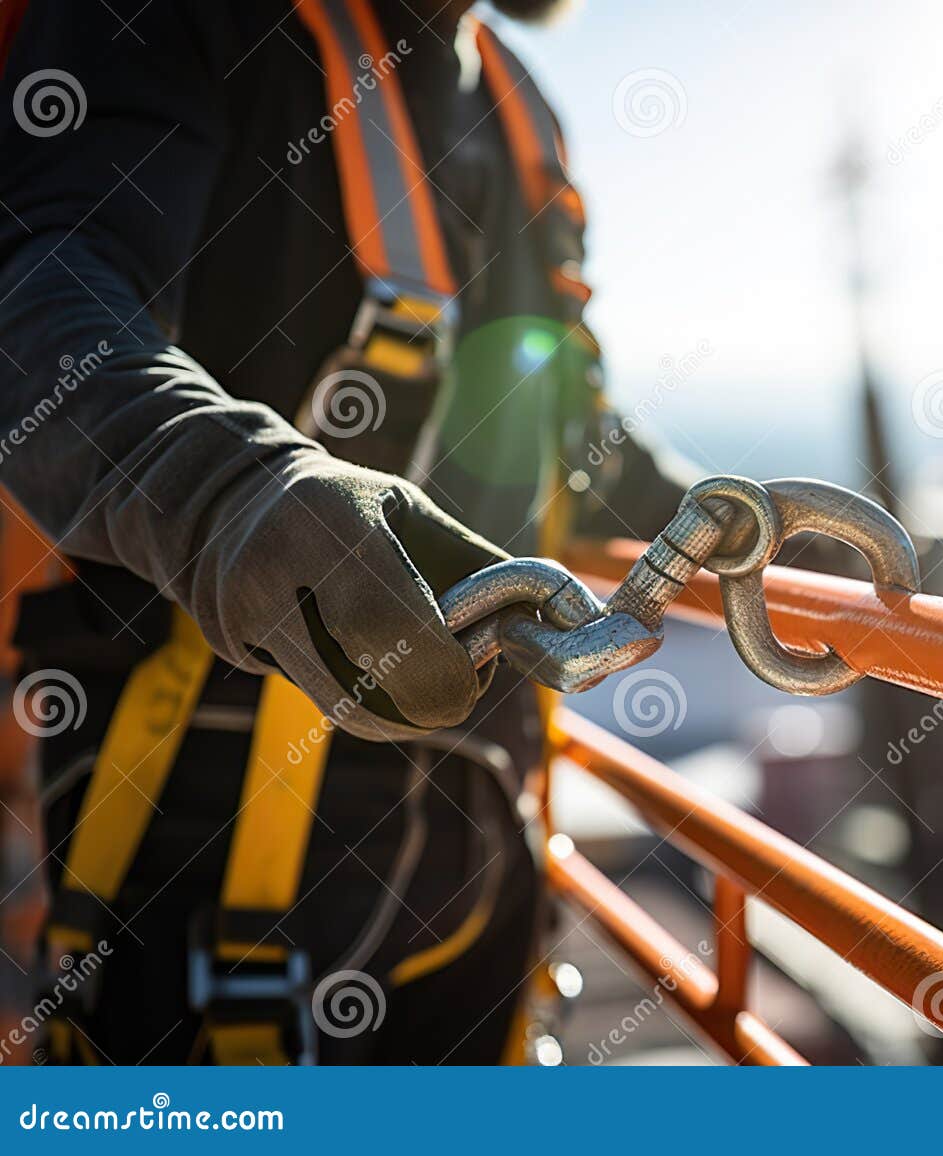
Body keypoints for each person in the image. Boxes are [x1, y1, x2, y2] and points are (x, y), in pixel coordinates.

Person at [0, 0, 687, 1063]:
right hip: (206, 811)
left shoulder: (519, 112)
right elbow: (41, 297)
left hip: (485, 816)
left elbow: (561, 429)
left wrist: (720, 522)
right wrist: (226, 498)